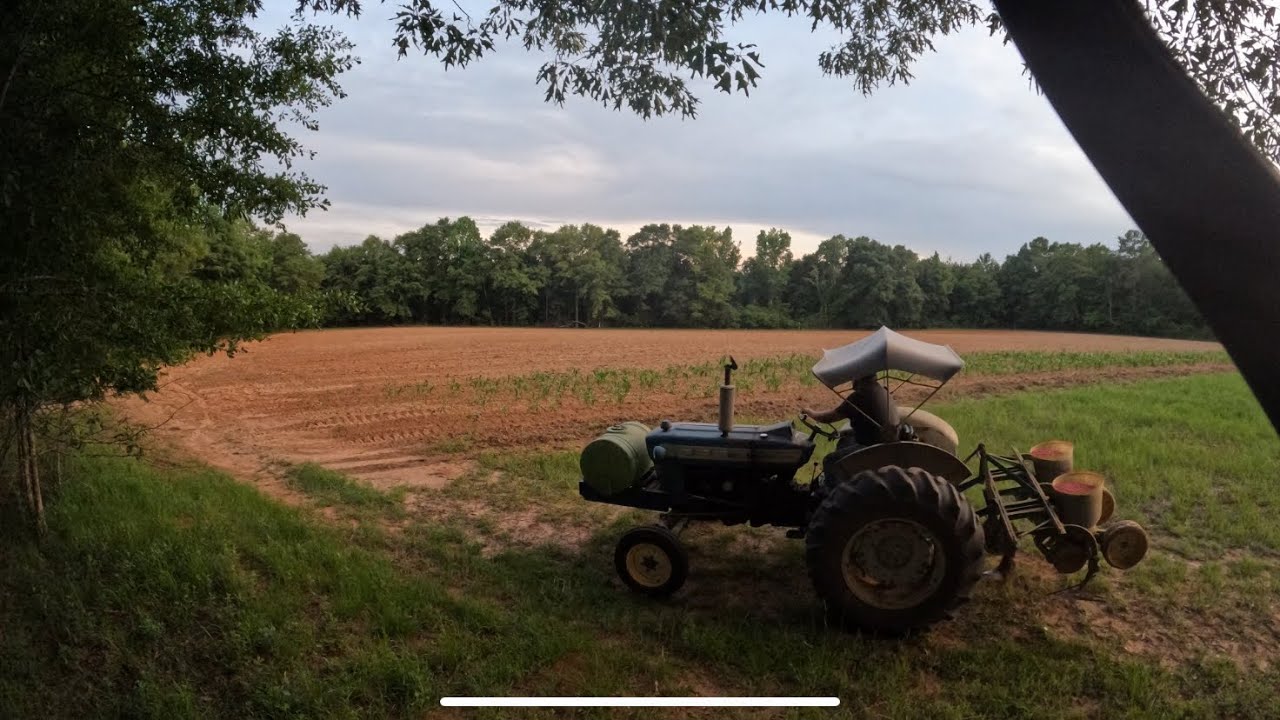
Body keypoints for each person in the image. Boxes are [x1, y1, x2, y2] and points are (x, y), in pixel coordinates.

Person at [800, 374, 900, 451]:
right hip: (886, 443)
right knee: (846, 437)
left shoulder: (859, 396)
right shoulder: (883, 391)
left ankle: (833, 478)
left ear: (858, 378)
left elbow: (828, 418)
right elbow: (869, 423)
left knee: (830, 460)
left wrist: (810, 412)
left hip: (871, 448)